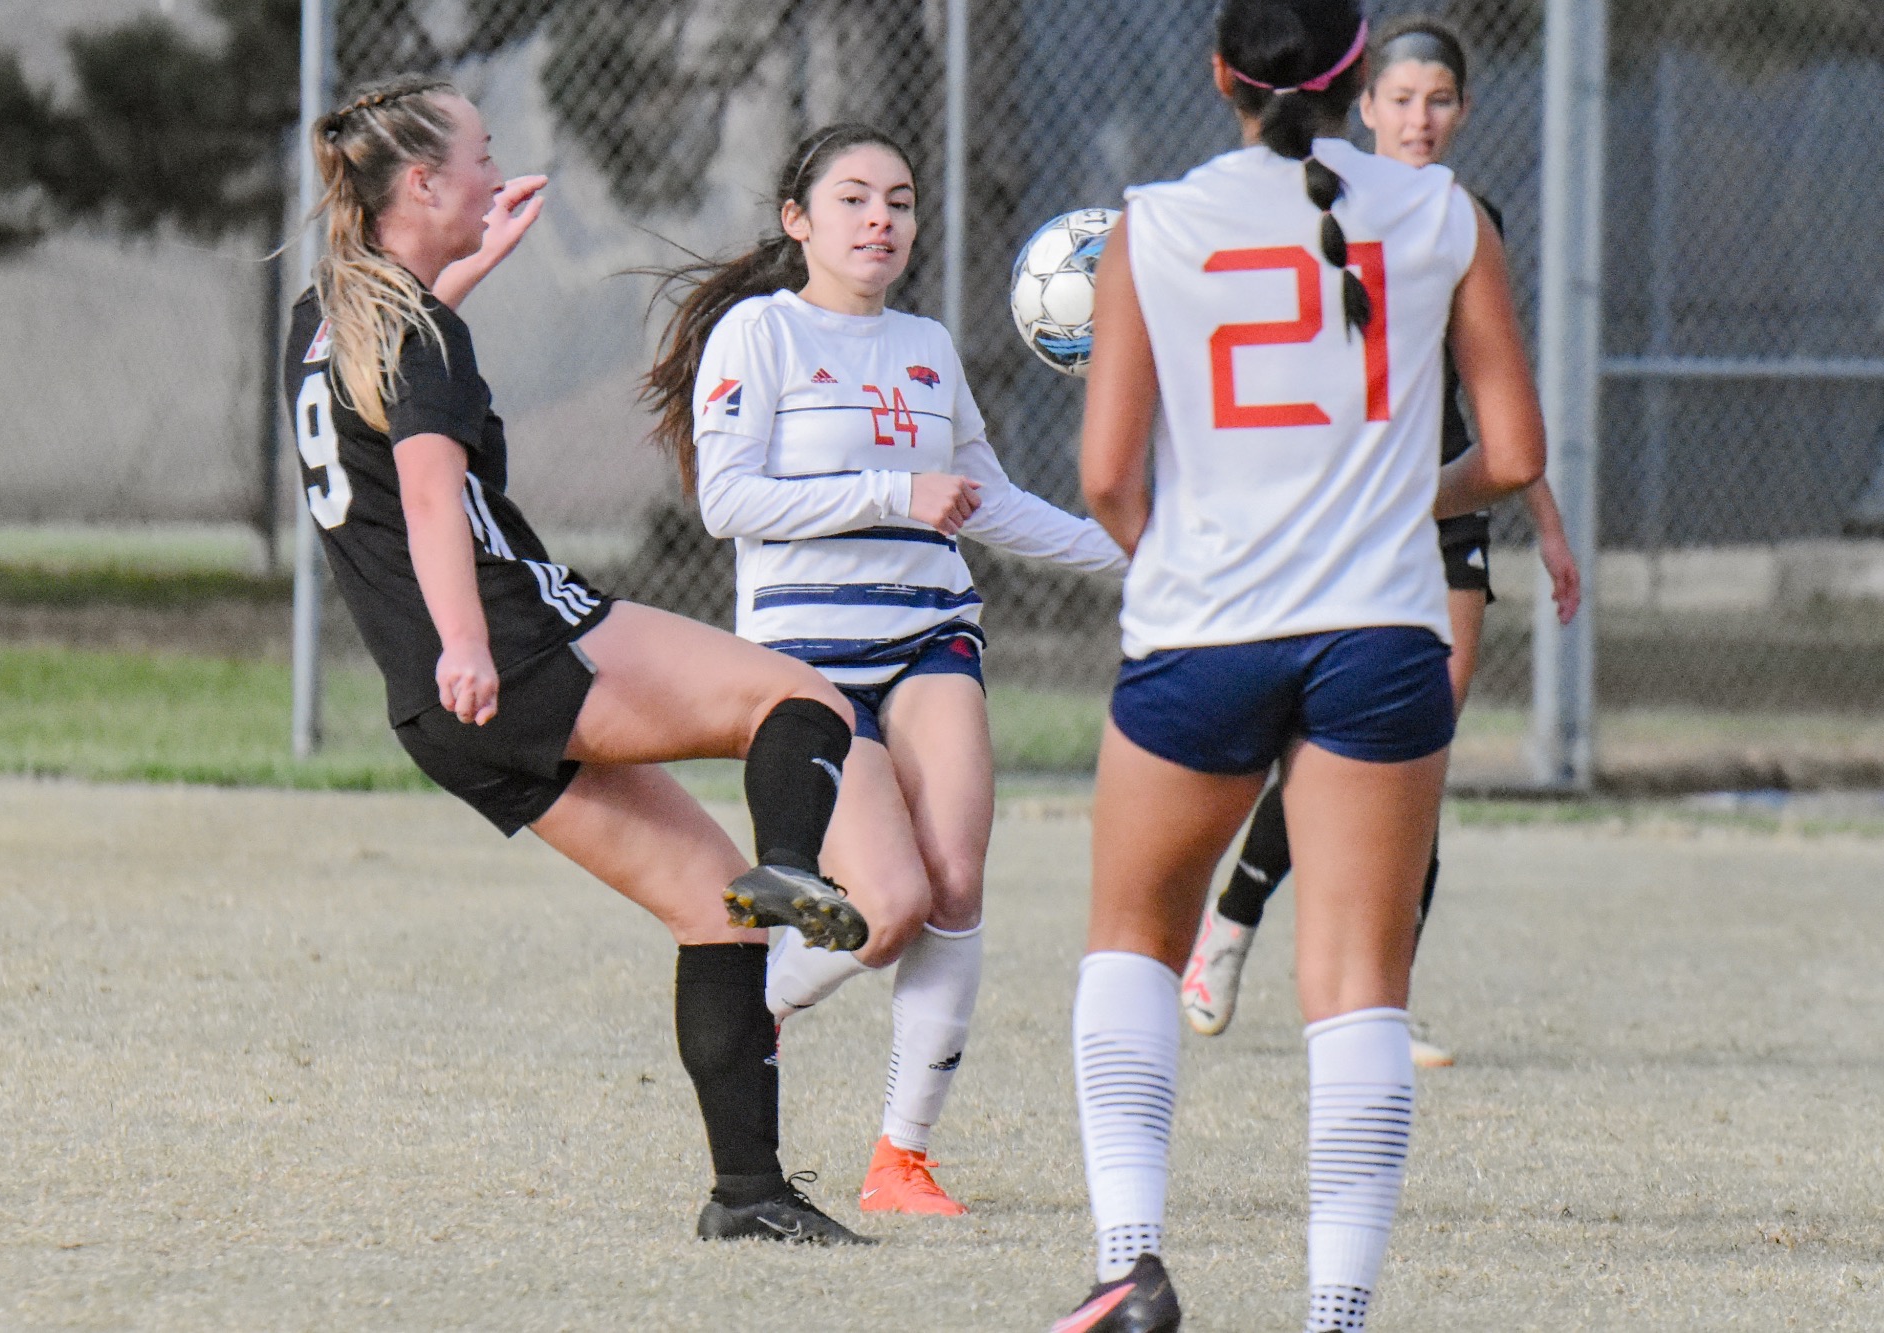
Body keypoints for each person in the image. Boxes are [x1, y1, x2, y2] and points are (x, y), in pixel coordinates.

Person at [286, 74, 877, 1245]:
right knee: (803, 699)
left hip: (439, 707)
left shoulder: (337, 314)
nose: (494, 171)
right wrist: (469, 635)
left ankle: (747, 1198)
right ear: (421, 183)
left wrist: (464, 275)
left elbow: (398, 390)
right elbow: (424, 489)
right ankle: (796, 863)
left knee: (713, 915)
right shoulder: (417, 332)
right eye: (478, 156)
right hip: (518, 644)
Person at [1049, 0, 1545, 1325]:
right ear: (1356, 76)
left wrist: (1198, 556)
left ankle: (1127, 1263)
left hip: (1203, 631)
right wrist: (1385, 511)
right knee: (1358, 991)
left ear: (1223, 75)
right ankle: (1335, 1314)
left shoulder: (1153, 222)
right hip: (1382, 633)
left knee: (1133, 943)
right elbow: (1511, 453)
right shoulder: (1448, 219)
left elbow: (1105, 476)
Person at [643, 123, 1128, 1216]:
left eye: (899, 201)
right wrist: (887, 492)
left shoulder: (924, 344)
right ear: (796, 220)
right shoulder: (756, 334)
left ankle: (899, 1160)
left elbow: (984, 499)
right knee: (891, 903)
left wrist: (1134, 547)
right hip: (802, 662)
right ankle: (757, 1000)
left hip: (929, 636)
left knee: (954, 885)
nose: (880, 220)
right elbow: (729, 503)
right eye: (854, 199)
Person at [1178, 14, 1584, 1067]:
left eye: (1438, 100)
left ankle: (1377, 1000)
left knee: (1416, 749)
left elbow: (1501, 409)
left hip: (1439, 506)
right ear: (1357, 101)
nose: (1418, 117)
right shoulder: (1279, 213)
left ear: (1460, 111)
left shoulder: (1457, 219)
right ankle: (1234, 914)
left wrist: (1543, 523)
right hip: (1322, 513)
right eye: (1399, 98)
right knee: (1313, 735)